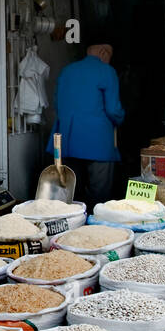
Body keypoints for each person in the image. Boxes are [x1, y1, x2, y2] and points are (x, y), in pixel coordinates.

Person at [47, 42, 125, 211]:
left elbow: (56, 103)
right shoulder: (107, 71)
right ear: (104, 53)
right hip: (98, 141)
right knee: (99, 194)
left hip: (67, 139)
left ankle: (71, 226)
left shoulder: (67, 71)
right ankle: (95, 228)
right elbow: (113, 109)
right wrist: (121, 119)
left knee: (71, 191)